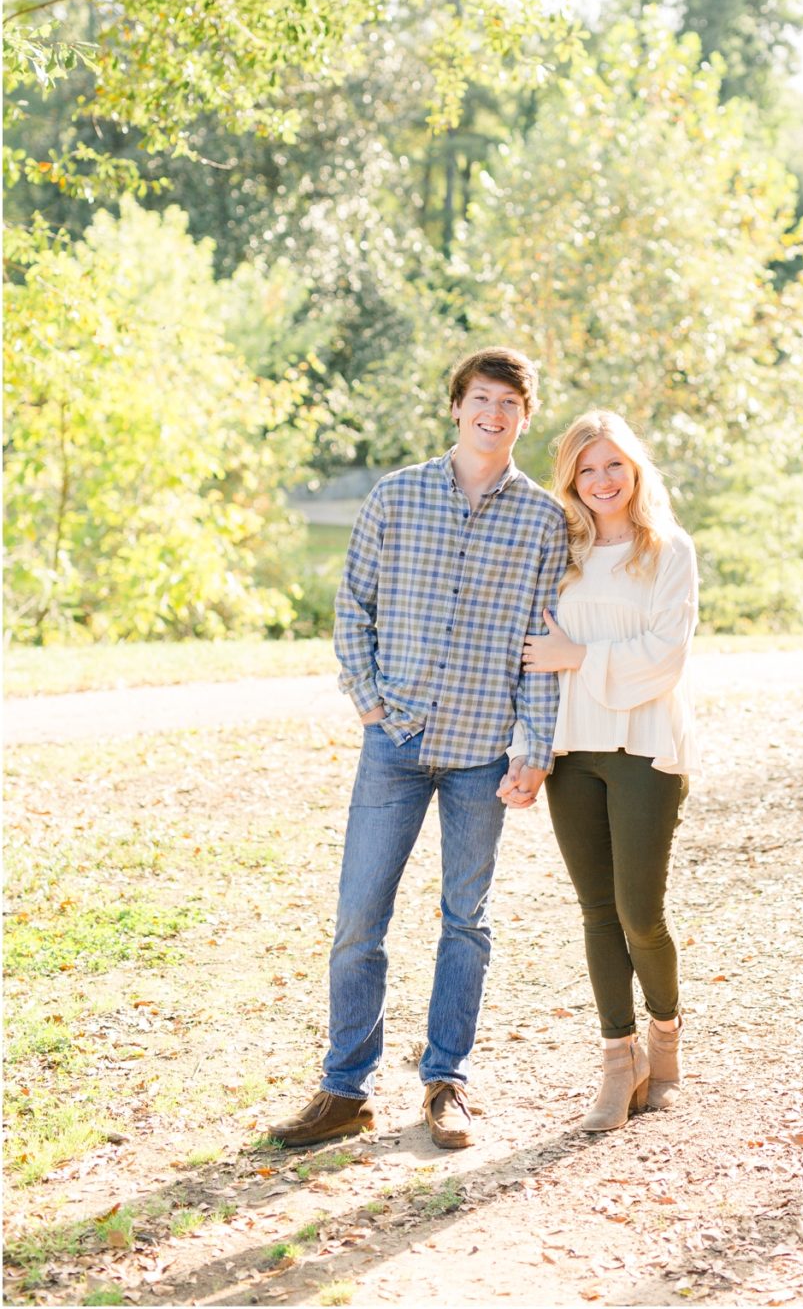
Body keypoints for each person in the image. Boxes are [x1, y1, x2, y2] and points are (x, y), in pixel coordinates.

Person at [268, 347, 566, 1151]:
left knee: (465, 921)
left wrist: (534, 748)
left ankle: (447, 1083)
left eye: (509, 403)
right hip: (393, 745)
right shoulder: (397, 496)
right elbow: (353, 604)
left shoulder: (542, 520)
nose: (493, 414)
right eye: (480, 398)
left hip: (480, 753)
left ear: (524, 417)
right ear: (456, 406)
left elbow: (543, 646)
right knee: (359, 917)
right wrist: (366, 699)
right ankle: (344, 1090)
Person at [498, 410, 698, 1132]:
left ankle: (664, 1039)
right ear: (571, 480)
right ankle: (619, 1062)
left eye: (614, 464)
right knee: (596, 913)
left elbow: (664, 656)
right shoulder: (562, 553)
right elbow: (532, 660)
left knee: (641, 917)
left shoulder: (667, 550)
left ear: (635, 470)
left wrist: (579, 656)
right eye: (587, 469)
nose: (602, 480)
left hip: (645, 748)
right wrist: (530, 749)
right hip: (572, 749)